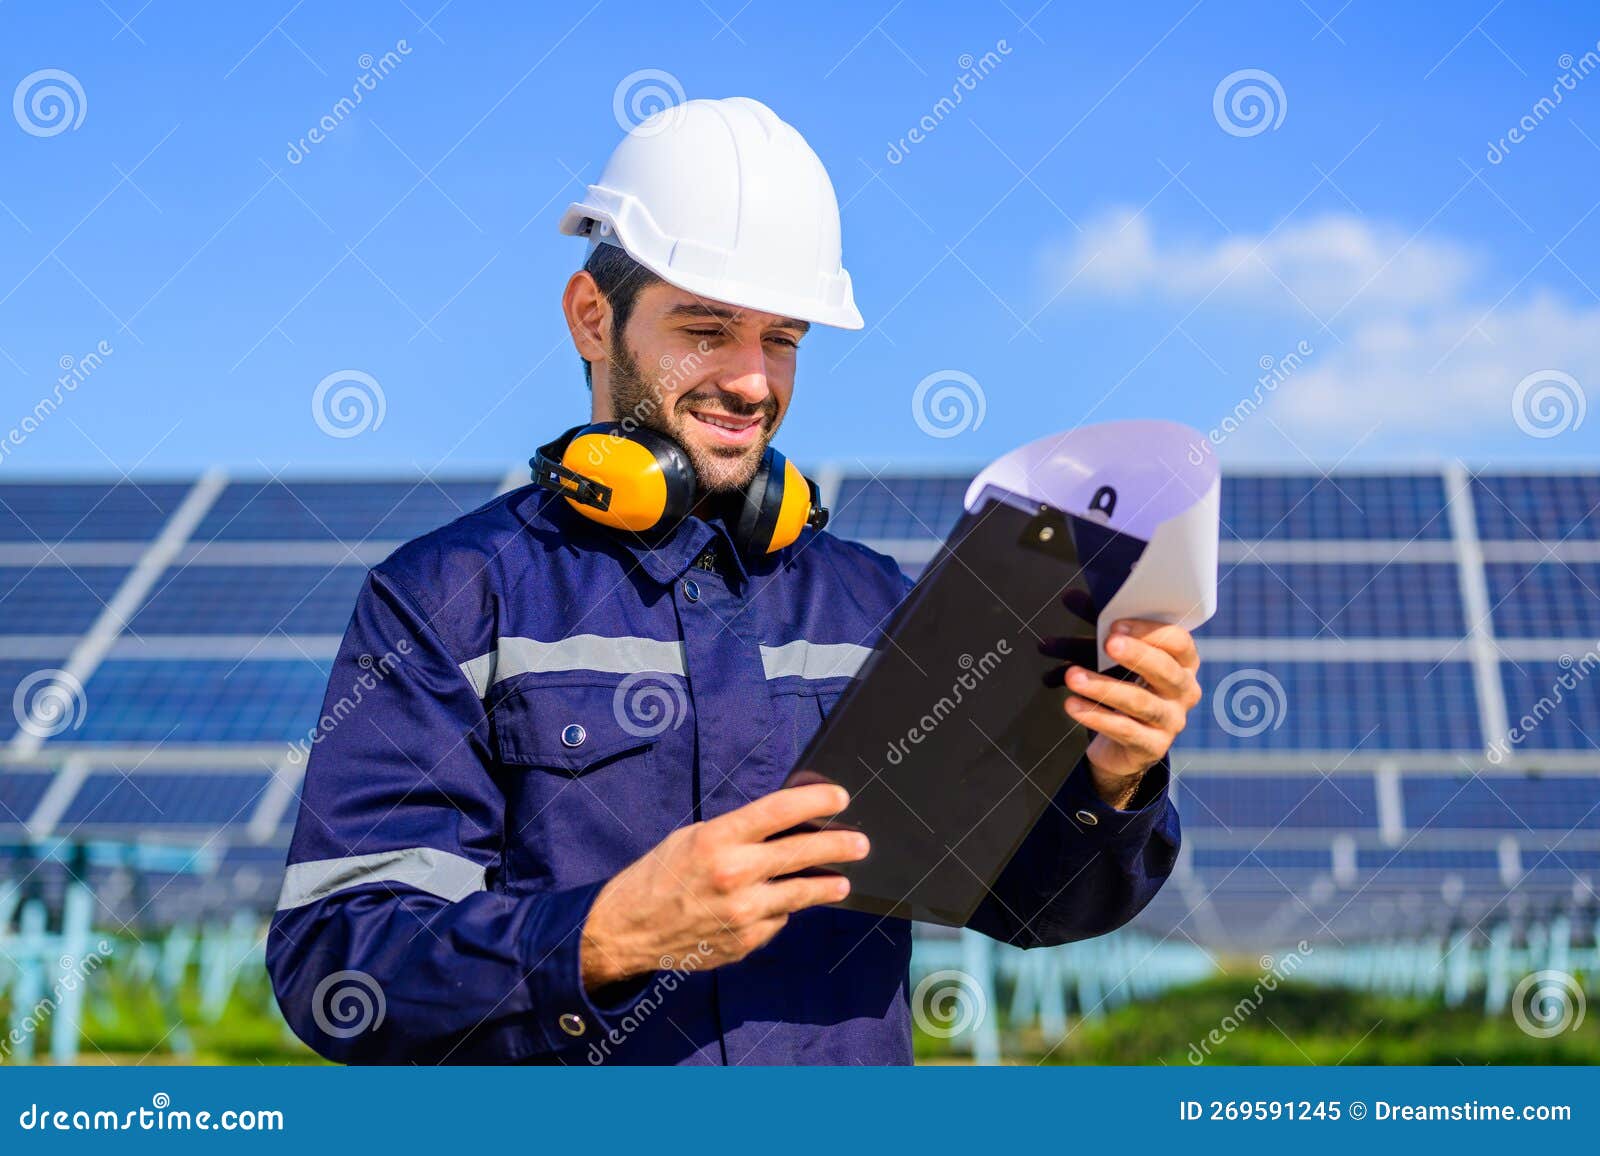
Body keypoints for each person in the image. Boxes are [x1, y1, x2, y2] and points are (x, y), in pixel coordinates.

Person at [267, 96, 1202, 1065]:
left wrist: (1112, 773)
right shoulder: (446, 600)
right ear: (593, 318)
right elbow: (337, 967)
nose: (753, 381)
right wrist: (605, 934)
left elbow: (1031, 900)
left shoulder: (873, 604)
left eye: (783, 339)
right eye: (707, 330)